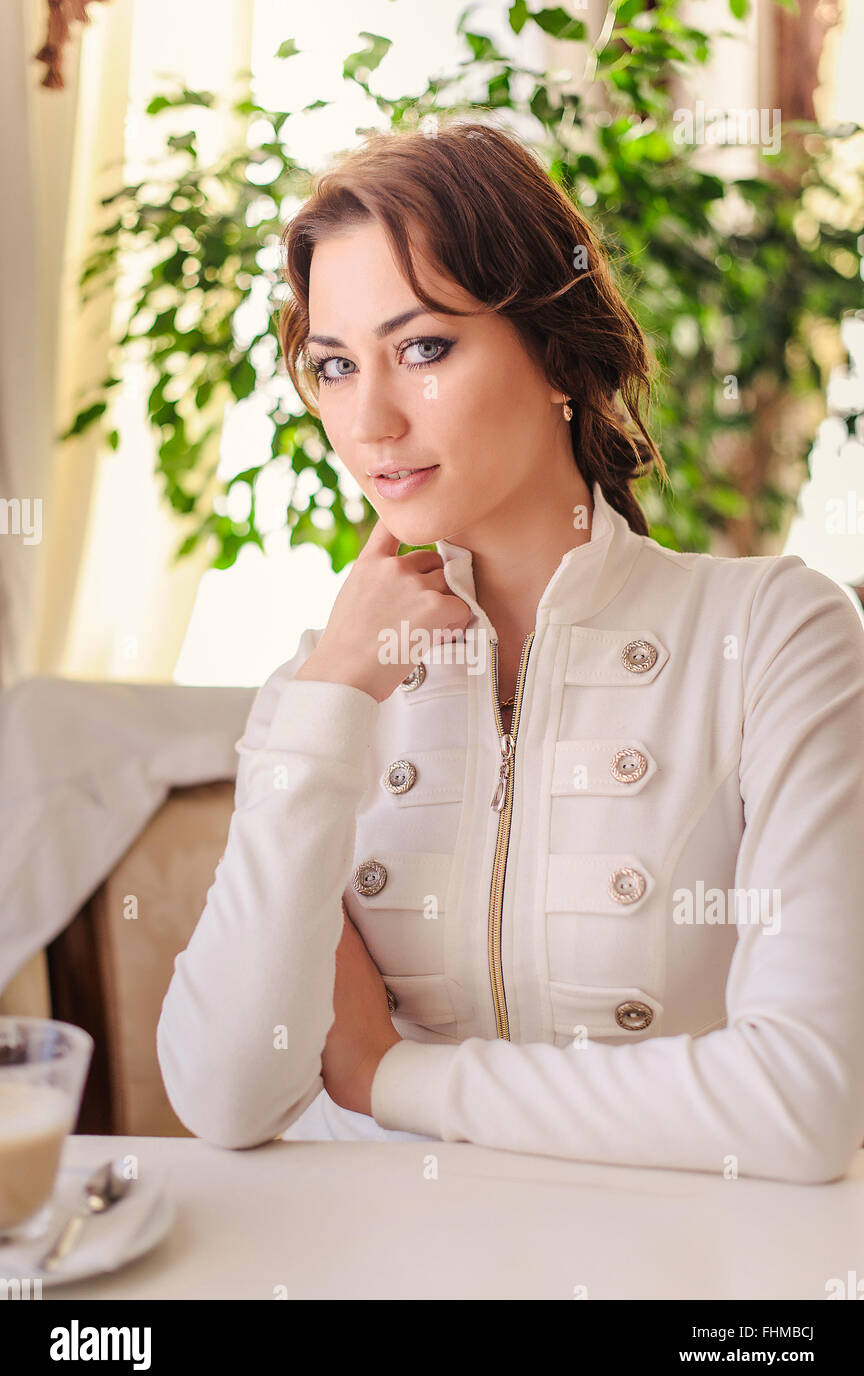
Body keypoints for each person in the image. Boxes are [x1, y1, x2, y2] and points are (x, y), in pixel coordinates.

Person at [157, 119, 864, 1182]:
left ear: (555, 353)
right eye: (336, 366)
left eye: (424, 349)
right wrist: (331, 698)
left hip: (670, 1261)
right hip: (374, 1258)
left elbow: (803, 1102)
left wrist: (389, 1074)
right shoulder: (321, 689)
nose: (370, 420)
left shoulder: (772, 634)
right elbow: (222, 1096)